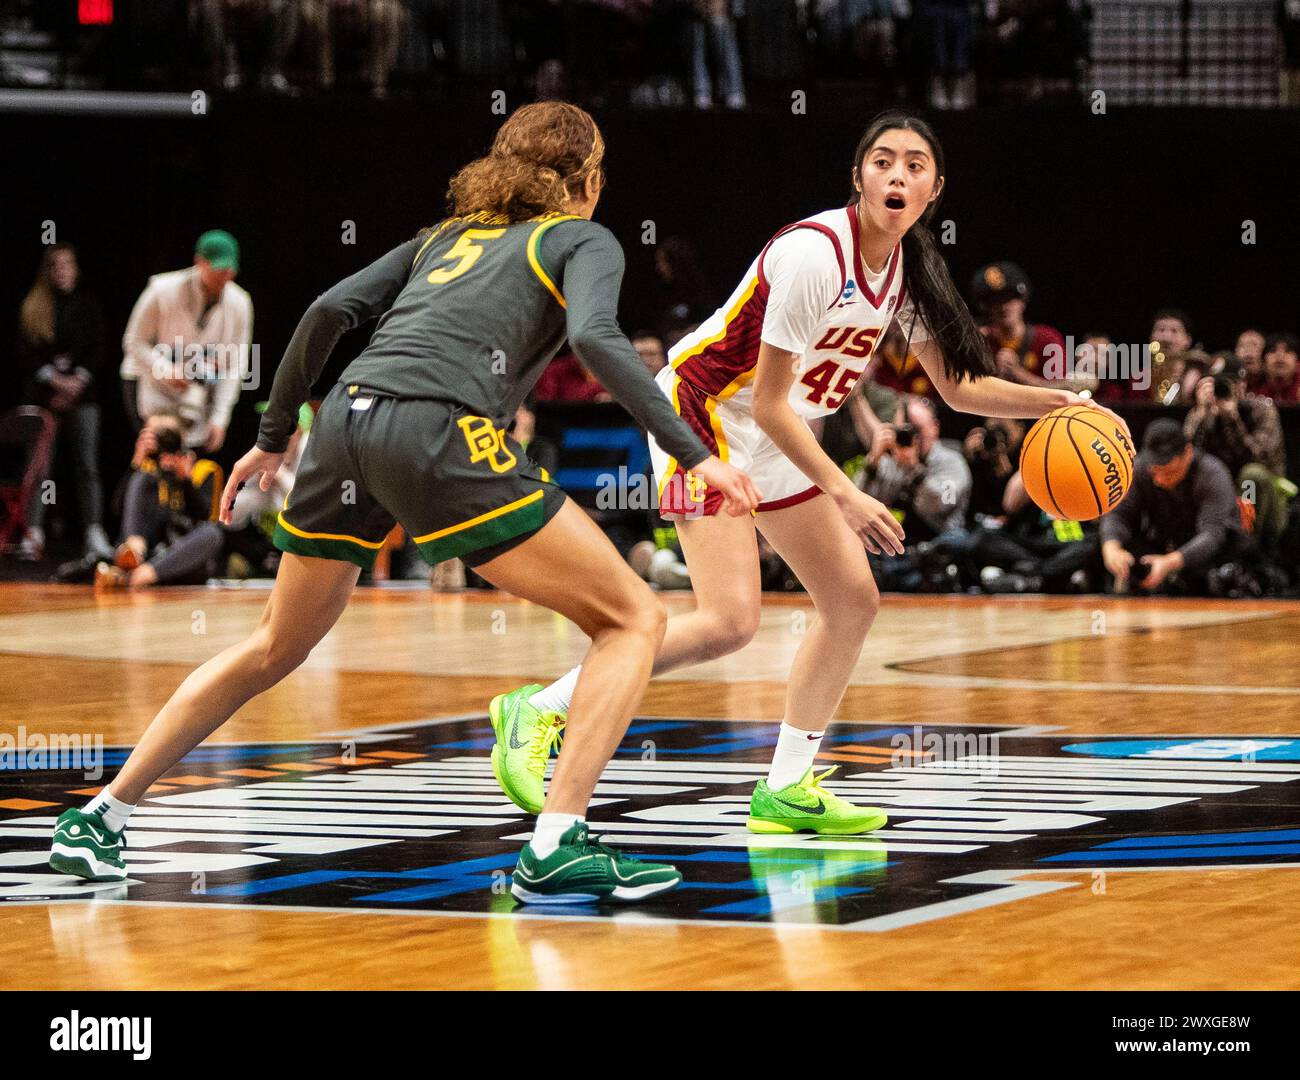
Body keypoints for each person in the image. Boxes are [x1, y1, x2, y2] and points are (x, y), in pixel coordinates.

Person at [49, 102, 758, 906]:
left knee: (274, 644)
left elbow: (326, 313)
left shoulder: (444, 237)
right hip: (435, 426)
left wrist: (277, 435)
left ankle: (102, 814)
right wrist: (699, 455)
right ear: (589, 180)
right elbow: (597, 340)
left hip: (345, 423)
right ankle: (559, 841)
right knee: (635, 618)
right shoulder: (582, 238)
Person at [498, 110, 1132, 837]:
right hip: (702, 412)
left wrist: (1063, 402)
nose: (898, 174)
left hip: (772, 428)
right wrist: (847, 492)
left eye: (915, 165)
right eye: (883, 161)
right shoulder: (813, 254)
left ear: (935, 189)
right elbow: (769, 403)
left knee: (852, 600)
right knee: (730, 620)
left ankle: (787, 787)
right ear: (858, 177)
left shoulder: (907, 269)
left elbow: (958, 387)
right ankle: (542, 708)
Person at [15, 243, 113, 562]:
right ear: (47, 271)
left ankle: (93, 531)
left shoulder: (89, 306)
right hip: (44, 398)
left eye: (69, 265)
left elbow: (98, 349)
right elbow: (27, 352)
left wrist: (76, 382)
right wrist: (53, 382)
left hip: (84, 397)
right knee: (39, 464)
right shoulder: (33, 307)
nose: (63, 272)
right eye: (57, 266)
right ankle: (33, 532)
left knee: (86, 465)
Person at [120, 230, 253, 452]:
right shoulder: (162, 291)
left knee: (184, 463)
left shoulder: (240, 303)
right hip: (148, 384)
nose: (225, 276)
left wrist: (220, 418)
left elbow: (235, 365)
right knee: (154, 455)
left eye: (230, 270)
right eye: (219, 269)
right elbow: (134, 342)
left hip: (194, 395)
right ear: (200, 262)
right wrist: (165, 369)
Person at [1100, 418, 1246, 595]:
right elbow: (1118, 513)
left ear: (1188, 453)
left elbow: (1212, 534)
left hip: (1213, 555)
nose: (1159, 480)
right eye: (1155, 472)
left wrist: (1171, 562)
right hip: (1164, 546)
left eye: (1168, 472)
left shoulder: (1212, 474)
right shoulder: (1140, 469)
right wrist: (1111, 548)